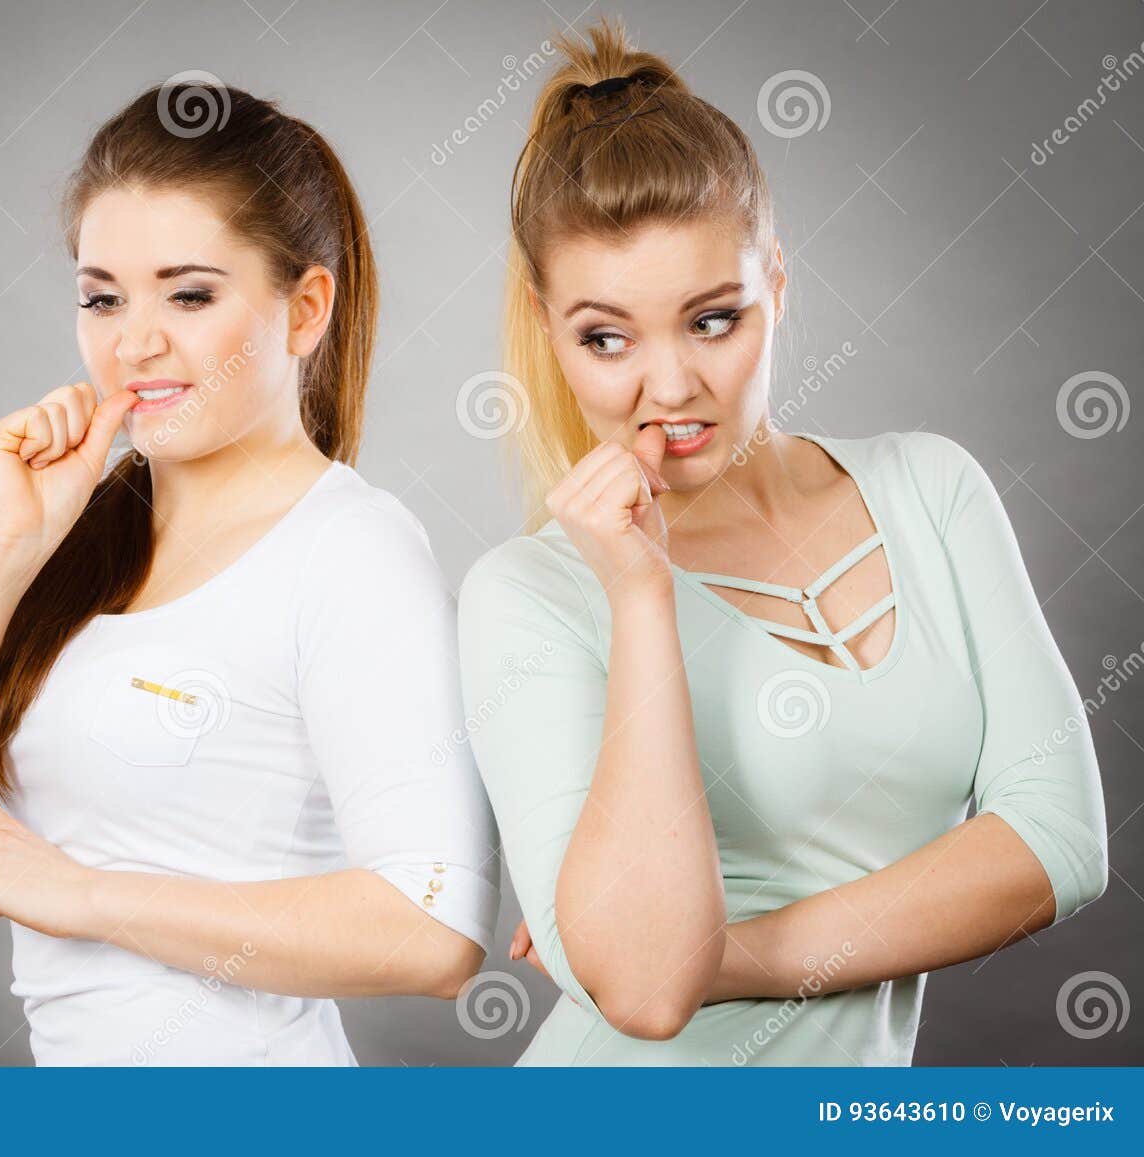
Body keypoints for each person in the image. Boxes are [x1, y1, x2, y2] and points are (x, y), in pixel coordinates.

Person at [457, 18, 1108, 1065]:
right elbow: (643, 998)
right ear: (548, 330)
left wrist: (721, 952)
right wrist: (640, 595)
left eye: (712, 319)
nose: (668, 387)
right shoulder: (530, 592)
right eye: (606, 336)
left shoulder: (929, 488)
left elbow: (1061, 845)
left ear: (777, 279)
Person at [0, 79, 499, 1065]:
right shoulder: (75, 540)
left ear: (305, 307)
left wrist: (86, 895)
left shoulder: (352, 550)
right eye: (103, 297)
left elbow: (433, 929)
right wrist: (1, 546)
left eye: (189, 293)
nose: (134, 341)